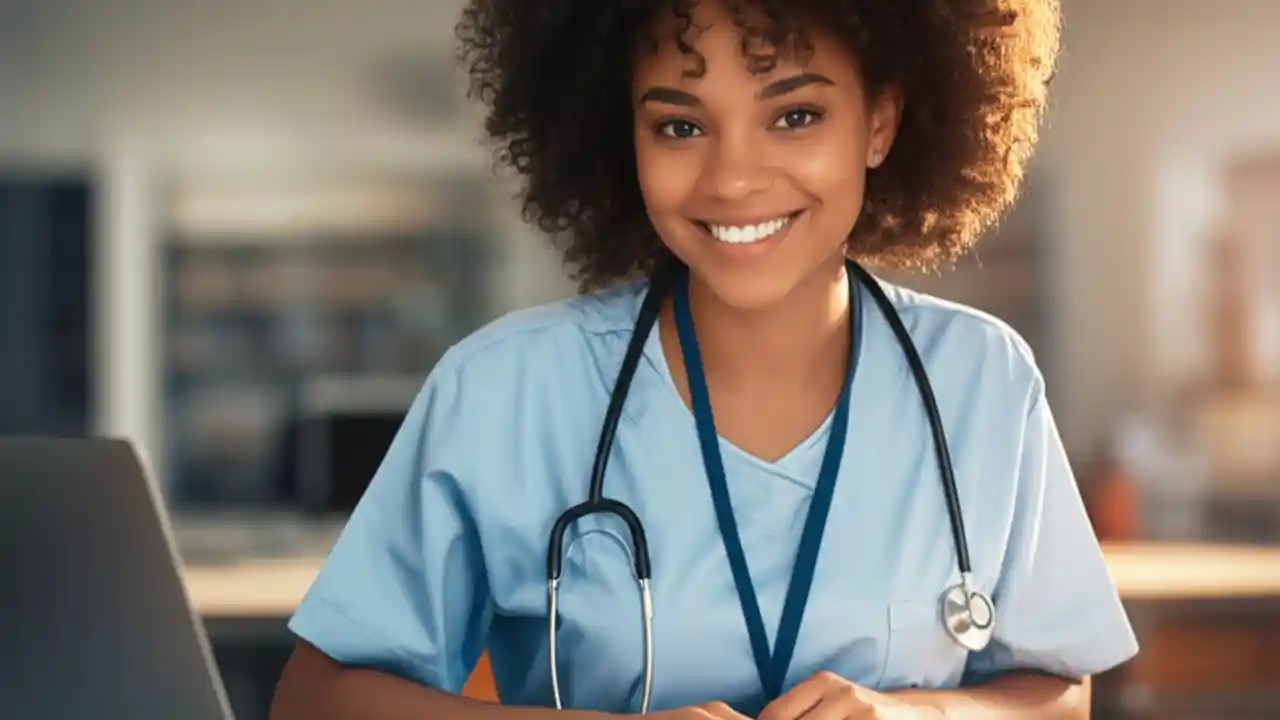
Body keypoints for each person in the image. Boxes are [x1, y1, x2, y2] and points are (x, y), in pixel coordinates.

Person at [270, 0, 1138, 718]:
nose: (732, 178)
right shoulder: (505, 391)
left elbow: (1060, 690)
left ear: (879, 121)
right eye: (681, 127)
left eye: (795, 115)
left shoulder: (983, 382)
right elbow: (316, 698)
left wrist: (920, 715)